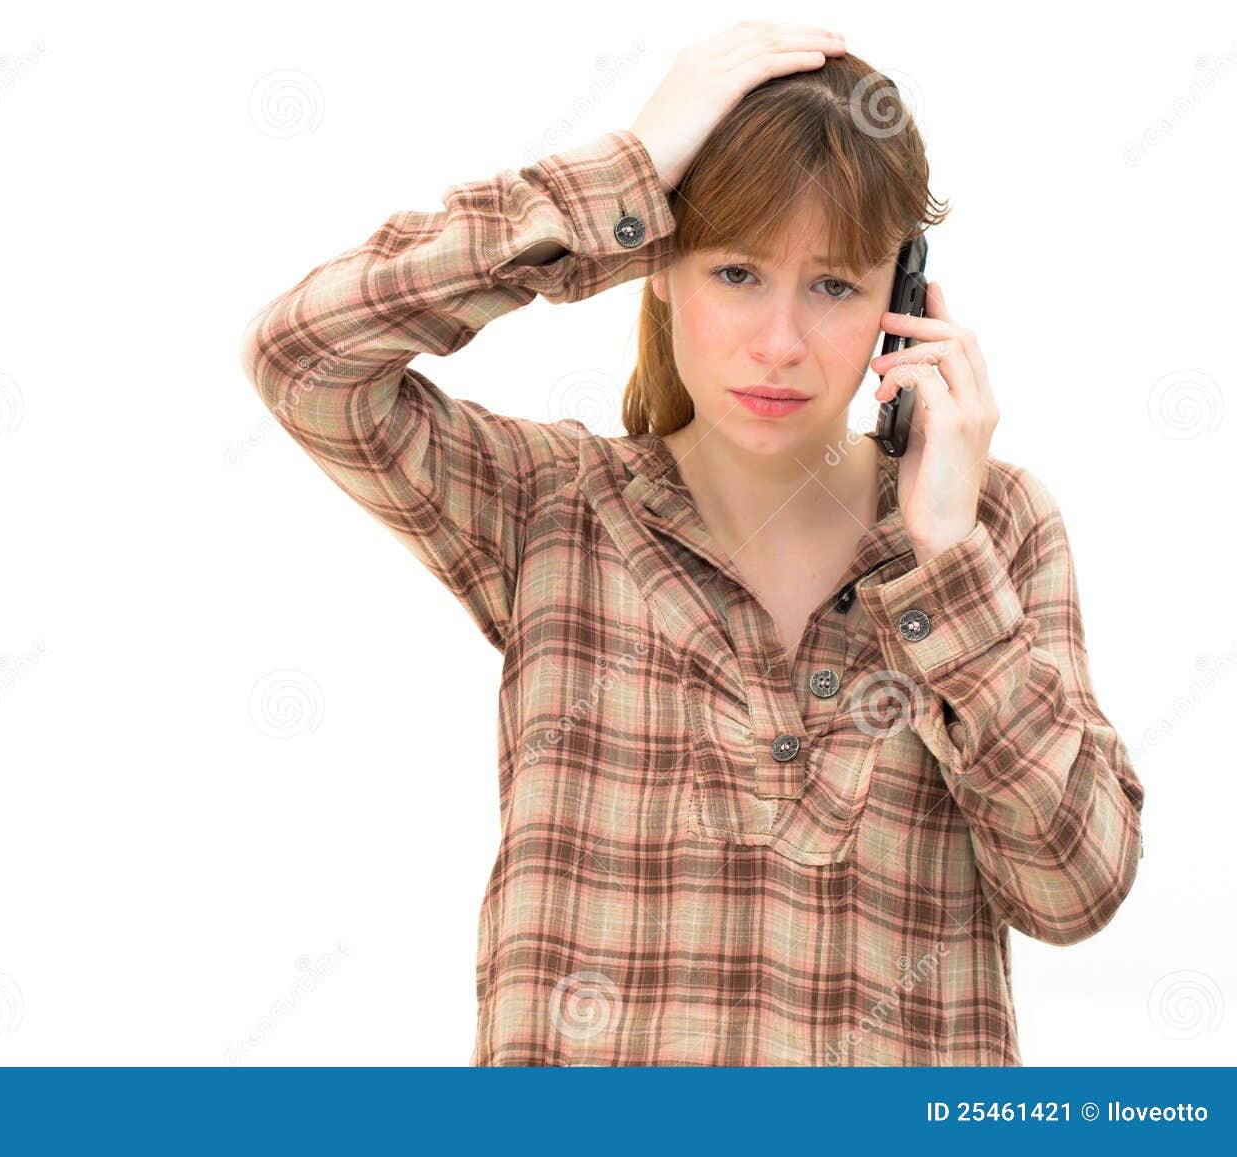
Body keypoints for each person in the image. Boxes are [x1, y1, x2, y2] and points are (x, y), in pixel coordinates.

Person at [239, 22, 1145, 1066]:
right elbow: (302, 354)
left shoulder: (992, 532)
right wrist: (621, 177)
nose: (779, 342)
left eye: (836, 286)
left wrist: (945, 564)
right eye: (735, 272)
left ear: (903, 304)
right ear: (657, 263)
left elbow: (1074, 888)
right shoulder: (552, 508)